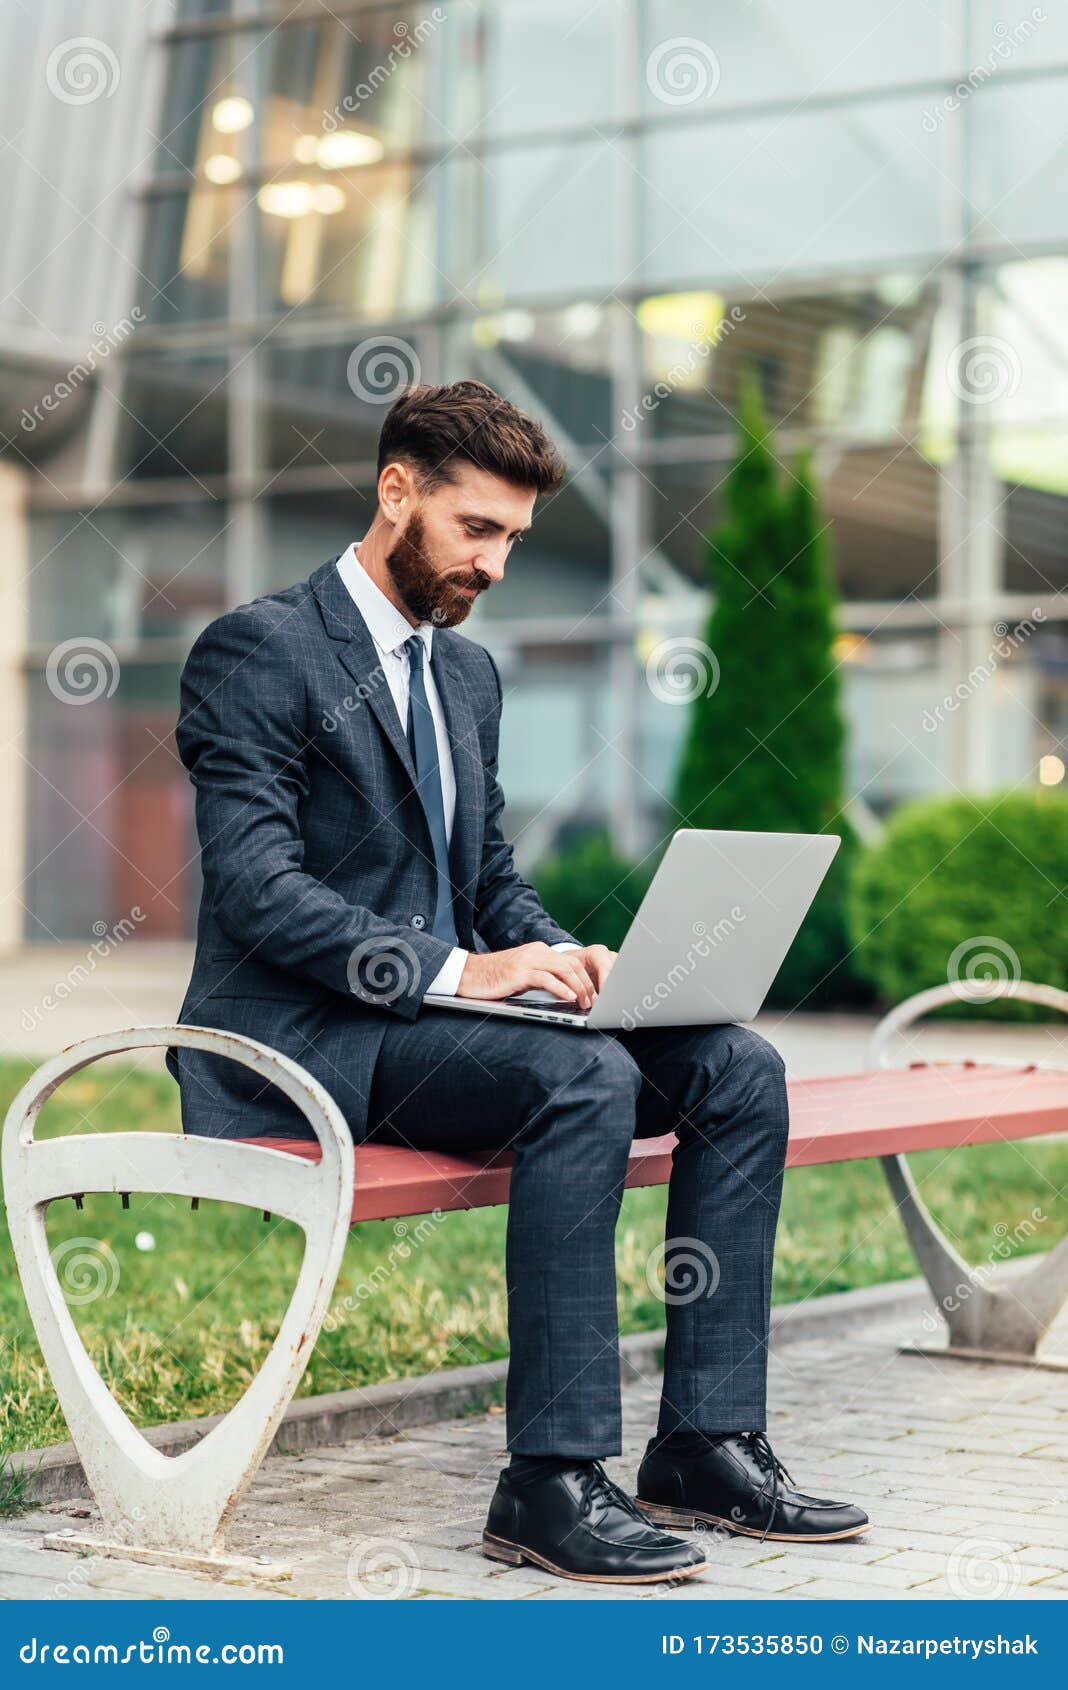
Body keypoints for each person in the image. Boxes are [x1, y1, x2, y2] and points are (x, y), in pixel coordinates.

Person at [169, 378, 868, 1585]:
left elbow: (488, 874)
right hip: (305, 1042)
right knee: (582, 1082)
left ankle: (703, 1439)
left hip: (444, 1028)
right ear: (398, 491)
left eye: (513, 539)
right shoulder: (259, 651)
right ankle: (546, 1481)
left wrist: (562, 960)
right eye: (476, 529)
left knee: (740, 1070)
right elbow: (252, 889)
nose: (494, 563)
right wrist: (459, 969)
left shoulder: (465, 677)